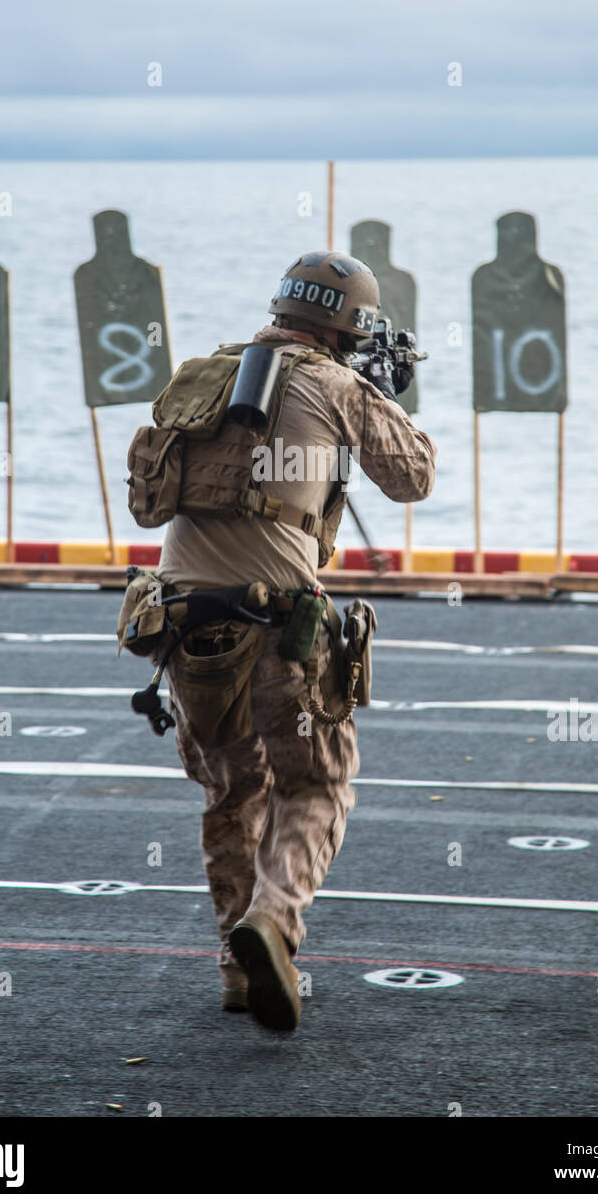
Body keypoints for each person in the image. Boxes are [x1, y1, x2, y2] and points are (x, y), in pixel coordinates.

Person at [156, 249, 437, 1031]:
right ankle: (273, 923)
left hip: (182, 623)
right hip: (281, 625)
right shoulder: (338, 382)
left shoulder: (202, 376)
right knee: (316, 784)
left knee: (232, 791)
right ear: (345, 326)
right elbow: (413, 477)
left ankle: (235, 969)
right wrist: (379, 394)